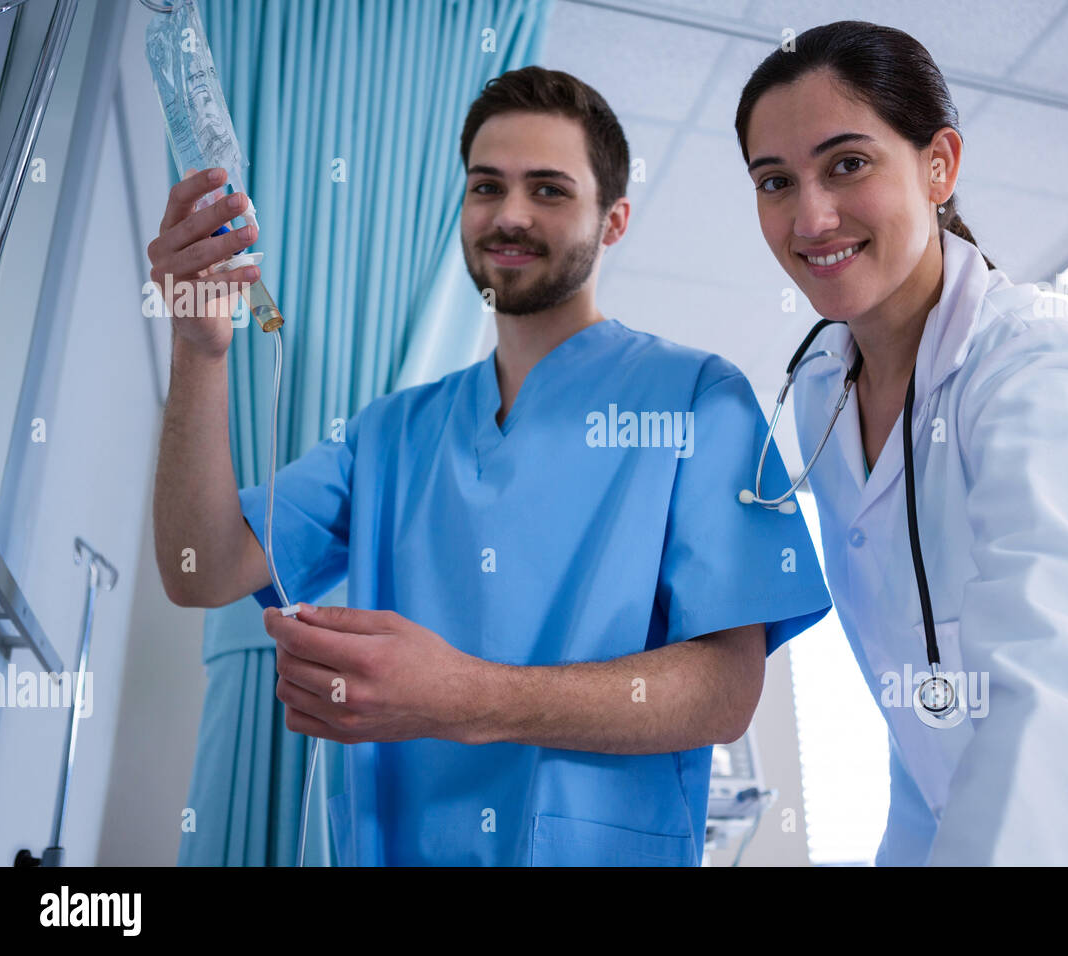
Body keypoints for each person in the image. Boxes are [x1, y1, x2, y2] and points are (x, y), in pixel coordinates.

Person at [147, 66, 831, 866]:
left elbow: (725, 692)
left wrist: (467, 698)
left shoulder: (699, 401)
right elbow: (201, 568)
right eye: (485, 187)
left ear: (612, 222)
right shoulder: (390, 434)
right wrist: (199, 353)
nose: (509, 215)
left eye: (548, 189)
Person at [734, 20, 1068, 866]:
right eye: (775, 180)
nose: (810, 214)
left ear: (939, 164)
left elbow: (1058, 675)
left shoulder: (1032, 360)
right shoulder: (819, 395)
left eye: (847, 163)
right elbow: (920, 704)